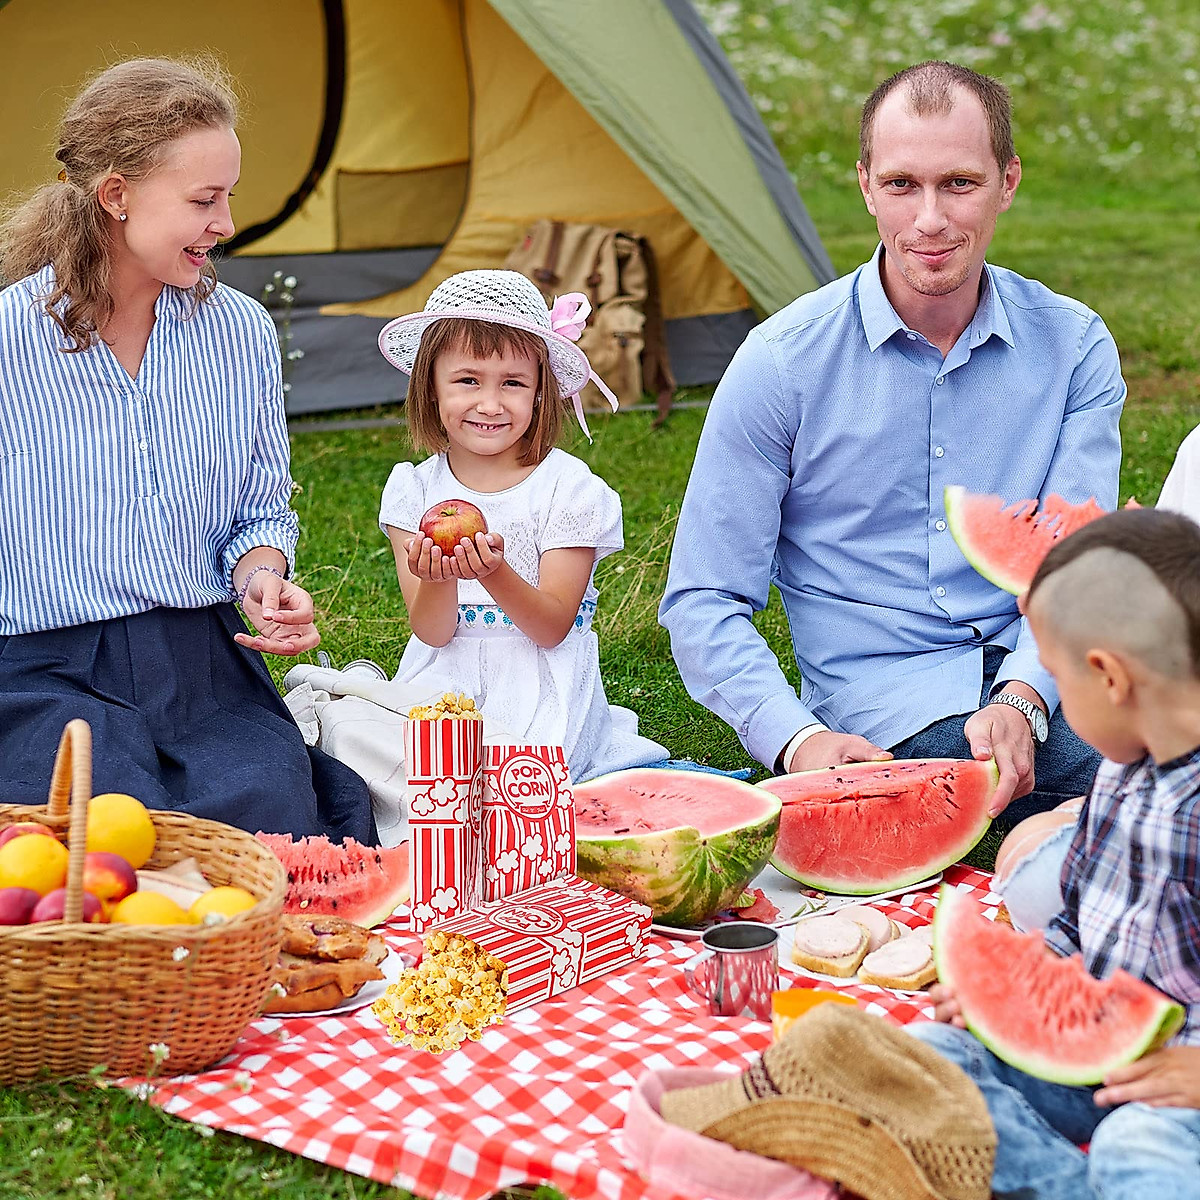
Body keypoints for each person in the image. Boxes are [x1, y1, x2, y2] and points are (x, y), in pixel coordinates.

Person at [660, 61, 1124, 825]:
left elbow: (1077, 565)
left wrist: (1024, 695)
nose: (931, 219)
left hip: (1054, 670)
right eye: (904, 184)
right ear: (867, 185)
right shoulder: (783, 363)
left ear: (1008, 182)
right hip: (882, 707)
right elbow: (704, 598)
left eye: (960, 184)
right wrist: (798, 741)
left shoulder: (1073, 347)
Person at [0, 58, 374, 843]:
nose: (227, 222)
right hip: (44, 671)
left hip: (201, 666)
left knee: (269, 820)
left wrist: (265, 582)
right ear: (115, 196)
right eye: (204, 200)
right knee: (107, 837)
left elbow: (257, 511)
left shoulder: (239, 333)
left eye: (228, 195)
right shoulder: (8, 340)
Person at [294, 269, 668, 844]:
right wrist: (441, 578)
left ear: (541, 389)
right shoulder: (413, 492)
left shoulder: (567, 490)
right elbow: (432, 631)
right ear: (431, 388)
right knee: (353, 736)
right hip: (441, 686)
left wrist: (494, 573)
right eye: (467, 380)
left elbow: (551, 627)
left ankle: (485, 806)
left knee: (508, 787)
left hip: (540, 686)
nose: (490, 404)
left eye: (513, 383)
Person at [913, 507, 1200, 1198]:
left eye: (1059, 685)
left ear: (1108, 678)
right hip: (1100, 1052)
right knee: (923, 1062)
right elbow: (1082, 926)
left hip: (1181, 1089)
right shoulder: (1121, 777)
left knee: (1138, 1148)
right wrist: (1012, 990)